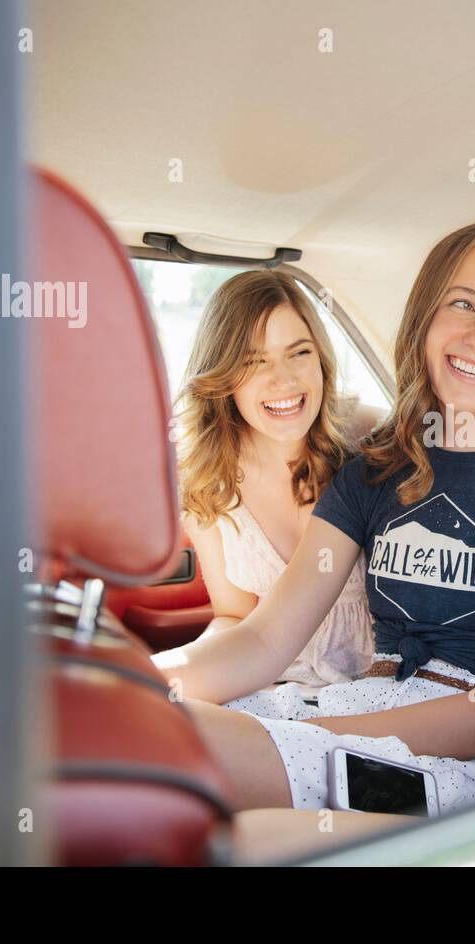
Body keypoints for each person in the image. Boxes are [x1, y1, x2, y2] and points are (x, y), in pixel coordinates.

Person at [154, 221, 475, 824]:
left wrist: (320, 729)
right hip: (361, 702)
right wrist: (131, 678)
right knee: (148, 723)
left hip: (463, 761)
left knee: (179, 752)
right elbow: (265, 639)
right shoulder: (374, 471)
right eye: (462, 305)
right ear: (425, 318)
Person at [175, 269, 381, 699]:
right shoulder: (208, 479)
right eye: (254, 361)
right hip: (275, 689)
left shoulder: (374, 440)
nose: (283, 379)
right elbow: (234, 617)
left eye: (298, 352)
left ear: (321, 359)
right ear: (223, 375)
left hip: (380, 690)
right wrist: (185, 672)